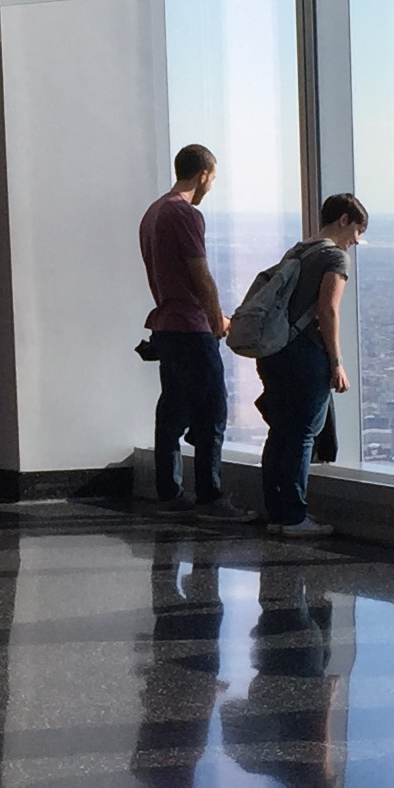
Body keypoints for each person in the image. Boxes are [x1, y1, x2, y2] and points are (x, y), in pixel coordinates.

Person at [254, 193, 367, 539]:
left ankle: (277, 512)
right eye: (357, 230)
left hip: (274, 350)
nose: (356, 241)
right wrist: (337, 361)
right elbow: (328, 309)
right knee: (302, 435)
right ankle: (293, 515)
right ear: (344, 220)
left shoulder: (298, 250)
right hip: (304, 355)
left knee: (280, 432)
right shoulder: (335, 257)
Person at [140, 143, 234, 517]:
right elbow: (200, 274)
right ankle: (210, 497)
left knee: (172, 412)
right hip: (191, 326)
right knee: (212, 410)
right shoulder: (185, 214)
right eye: (213, 179)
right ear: (205, 175)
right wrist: (216, 319)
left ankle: (170, 494)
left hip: (165, 326)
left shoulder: (153, 213)